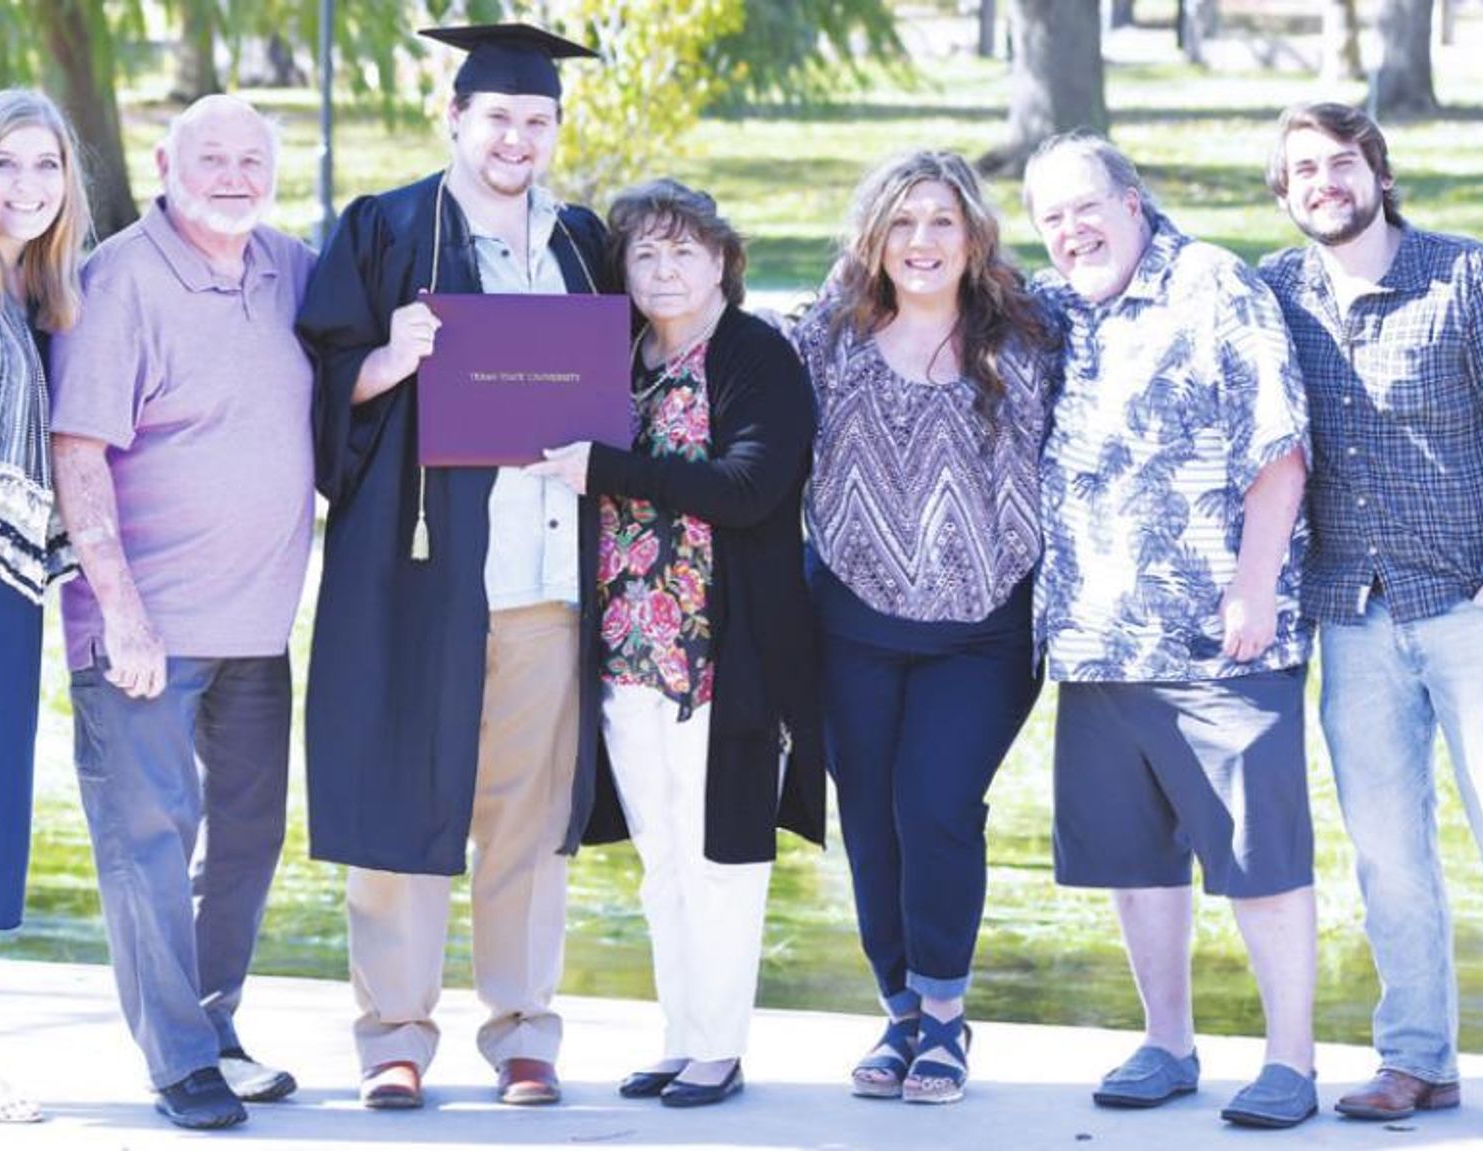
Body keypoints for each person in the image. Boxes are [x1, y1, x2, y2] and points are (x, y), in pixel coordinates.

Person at [294, 23, 609, 1111]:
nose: (517, 137)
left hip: (549, 578)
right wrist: (389, 360)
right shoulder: (384, 230)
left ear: (555, 128)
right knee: (401, 794)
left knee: (528, 814)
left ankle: (524, 1030)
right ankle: (395, 1032)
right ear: (456, 118)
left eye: (537, 119)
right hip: (420, 570)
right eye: (499, 118)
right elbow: (318, 384)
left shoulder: (580, 243)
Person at [1023, 131, 1318, 1129]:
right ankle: (1168, 1039)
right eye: (1050, 217)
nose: (1071, 231)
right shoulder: (1059, 305)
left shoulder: (1211, 287)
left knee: (1257, 853)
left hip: (1216, 637)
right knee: (1133, 857)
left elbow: (1278, 448)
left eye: (1085, 207)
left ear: (1133, 203)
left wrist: (1254, 586)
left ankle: (1290, 1060)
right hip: (1098, 639)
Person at [528, 180, 825, 1107]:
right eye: (645, 255)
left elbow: (750, 488)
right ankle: (679, 1032)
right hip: (627, 645)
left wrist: (606, 467)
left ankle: (720, 1045)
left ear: (722, 259)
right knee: (661, 856)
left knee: (721, 854)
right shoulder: (615, 356)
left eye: (684, 252)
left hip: (720, 650)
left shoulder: (755, 354)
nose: (664, 270)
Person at [47, 93, 313, 1131]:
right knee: (148, 838)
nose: (236, 174)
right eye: (214, 156)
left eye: (255, 157)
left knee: (246, 837)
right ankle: (176, 1059)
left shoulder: (288, 266)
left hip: (258, 623)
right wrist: (121, 611)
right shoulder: (117, 280)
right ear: (164, 161)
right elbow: (79, 451)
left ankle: (213, 1024)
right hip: (142, 628)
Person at [1260, 102, 1483, 1137]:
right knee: (1388, 851)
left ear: (1376, 167)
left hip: (1477, 607)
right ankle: (1417, 1060)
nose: (1322, 181)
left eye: (1337, 161)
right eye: (1301, 171)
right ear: (1283, 195)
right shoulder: (1278, 294)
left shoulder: (1470, 277)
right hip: (1353, 616)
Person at [789, 151, 1056, 1105]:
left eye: (942, 220)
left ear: (974, 233)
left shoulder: (1032, 335)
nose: (922, 241)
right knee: (868, 816)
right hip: (850, 621)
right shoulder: (825, 339)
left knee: (936, 807)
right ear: (874, 238)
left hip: (987, 627)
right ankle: (900, 1012)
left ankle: (945, 1016)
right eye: (902, 223)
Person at [0, 86, 89, 1128]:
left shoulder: (35, 292)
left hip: (7, 592)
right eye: (6, 163)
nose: (27, 185)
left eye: (46, 166)